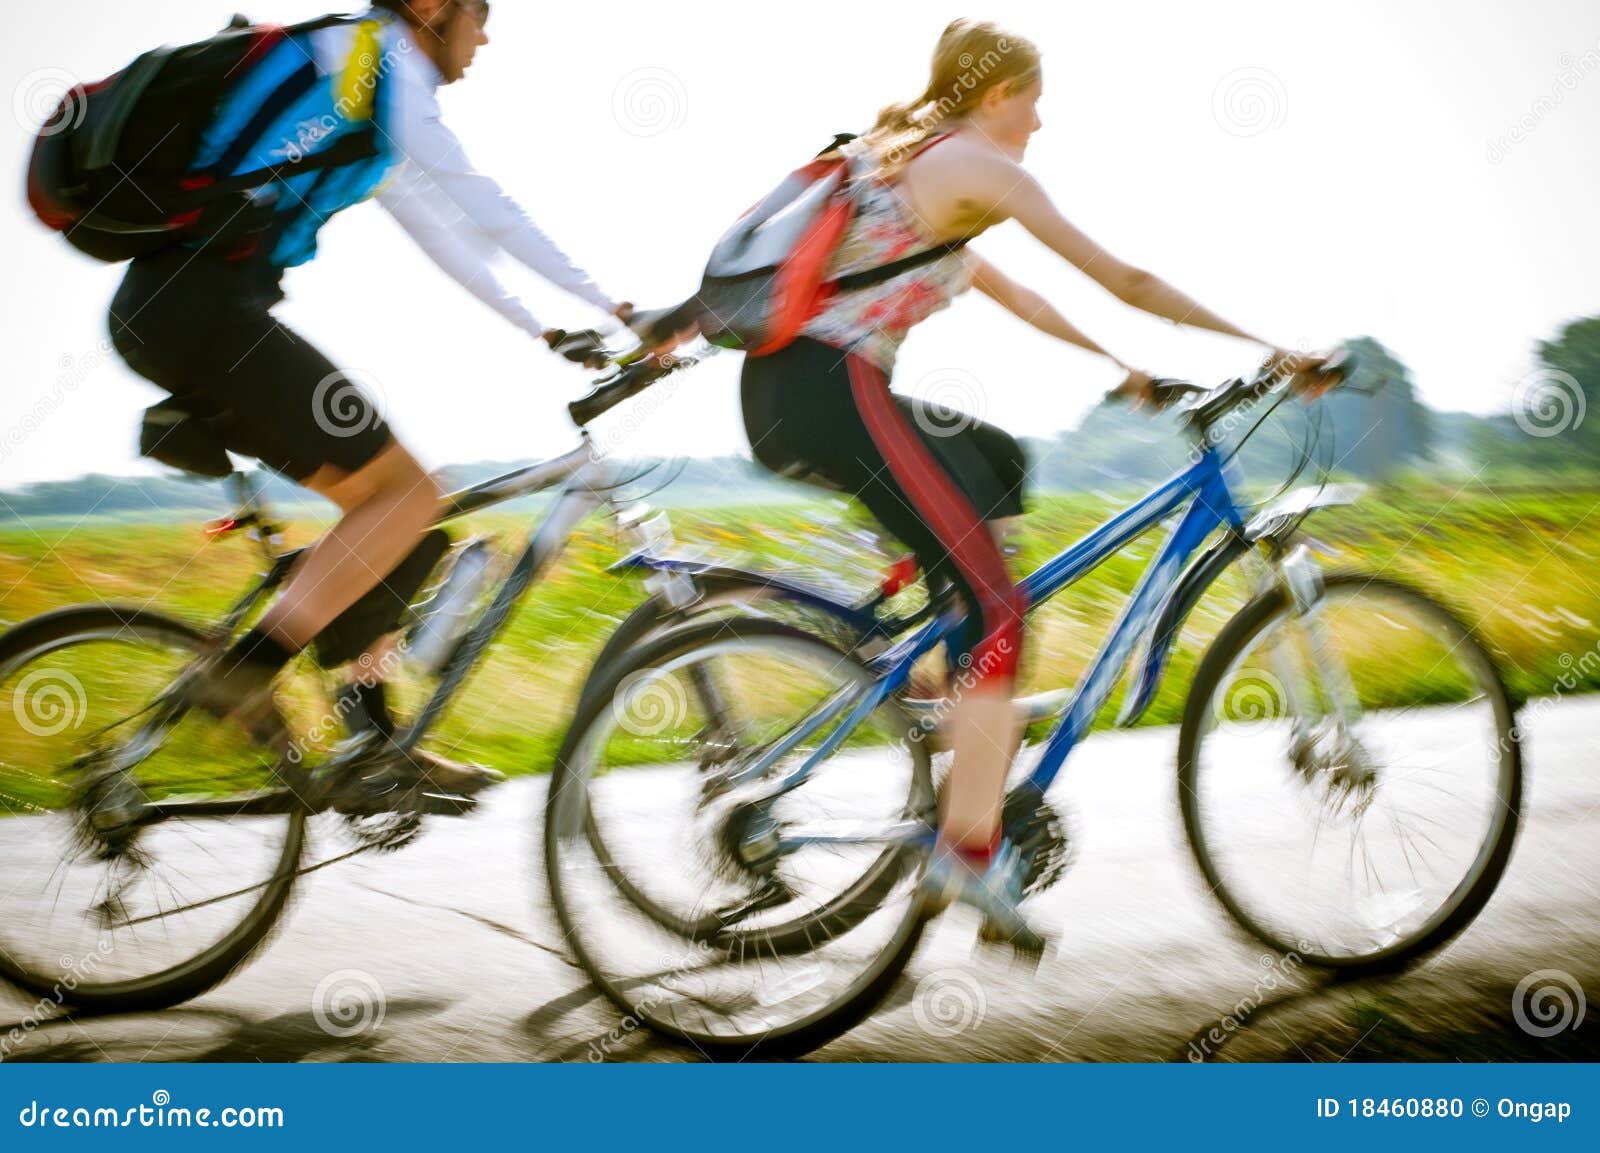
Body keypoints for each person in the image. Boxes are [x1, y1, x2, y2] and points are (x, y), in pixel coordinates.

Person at [738, 18, 1335, 949]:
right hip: (832, 392)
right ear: (996, 94)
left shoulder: (915, 161)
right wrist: (1272, 346)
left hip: (798, 394)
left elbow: (1027, 298)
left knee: (999, 460)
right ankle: (967, 851)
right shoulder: (979, 166)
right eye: (1035, 100)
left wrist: (1123, 368)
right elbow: (1126, 277)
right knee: (1001, 606)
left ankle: (956, 694)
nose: (1041, 122)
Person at [109, 0, 631, 795]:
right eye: (479, 14)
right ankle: (245, 672)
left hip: (177, 313)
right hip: (205, 315)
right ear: (431, 8)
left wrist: (547, 328)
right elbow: (485, 203)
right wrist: (620, 307)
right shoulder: (384, 66)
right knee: (408, 494)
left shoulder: (357, 80)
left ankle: (376, 746)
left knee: (406, 524)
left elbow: (446, 232)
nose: (485, 35)